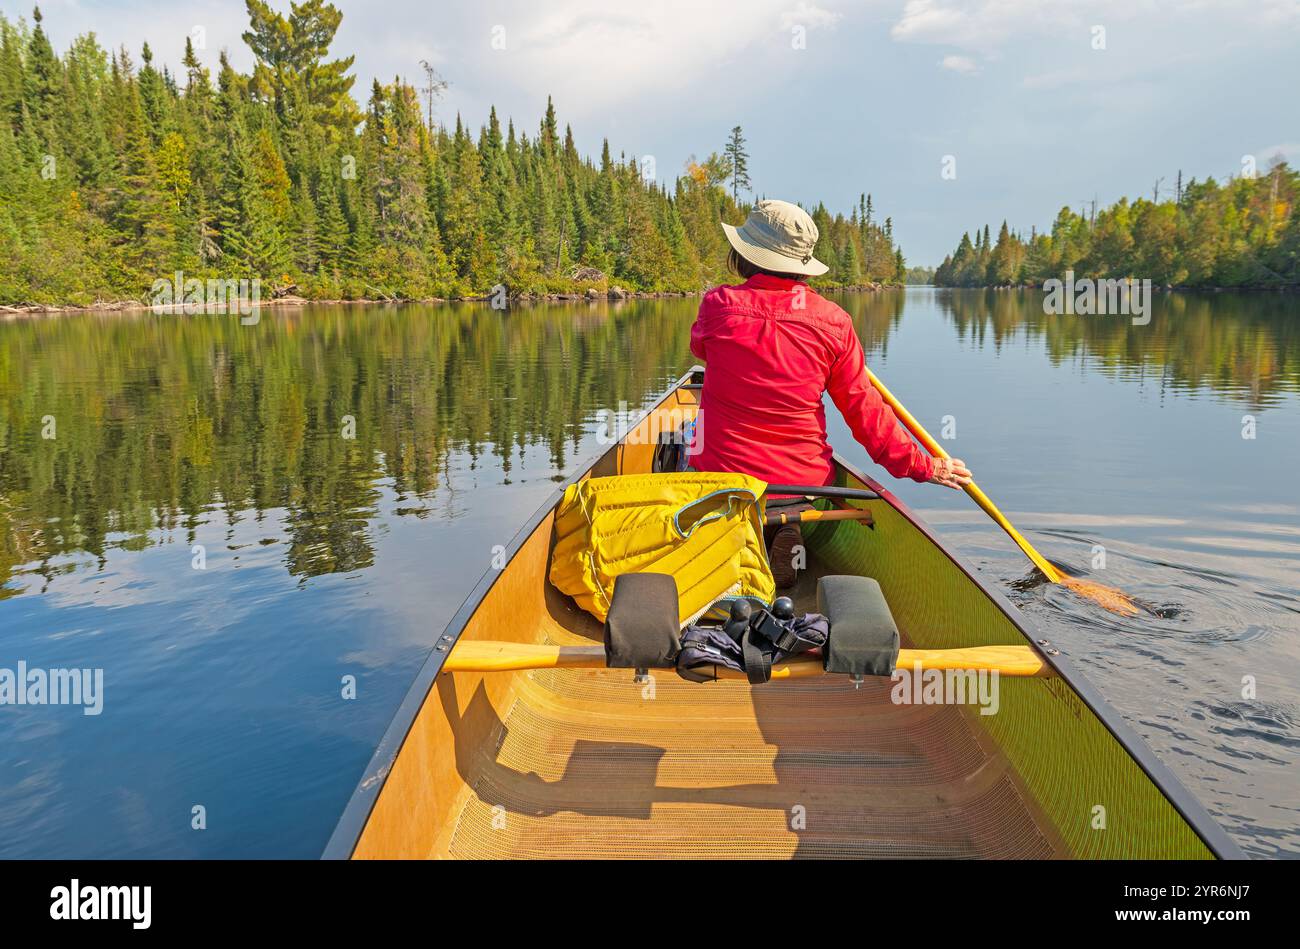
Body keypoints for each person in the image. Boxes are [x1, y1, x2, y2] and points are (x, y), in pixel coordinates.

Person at [688, 199, 972, 588]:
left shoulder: (718, 305)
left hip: (724, 478)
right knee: (793, 484)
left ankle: (742, 538)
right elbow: (864, 411)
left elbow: (699, 349)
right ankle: (787, 527)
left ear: (745, 255)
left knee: (684, 442)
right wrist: (922, 466)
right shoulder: (834, 321)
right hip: (801, 482)